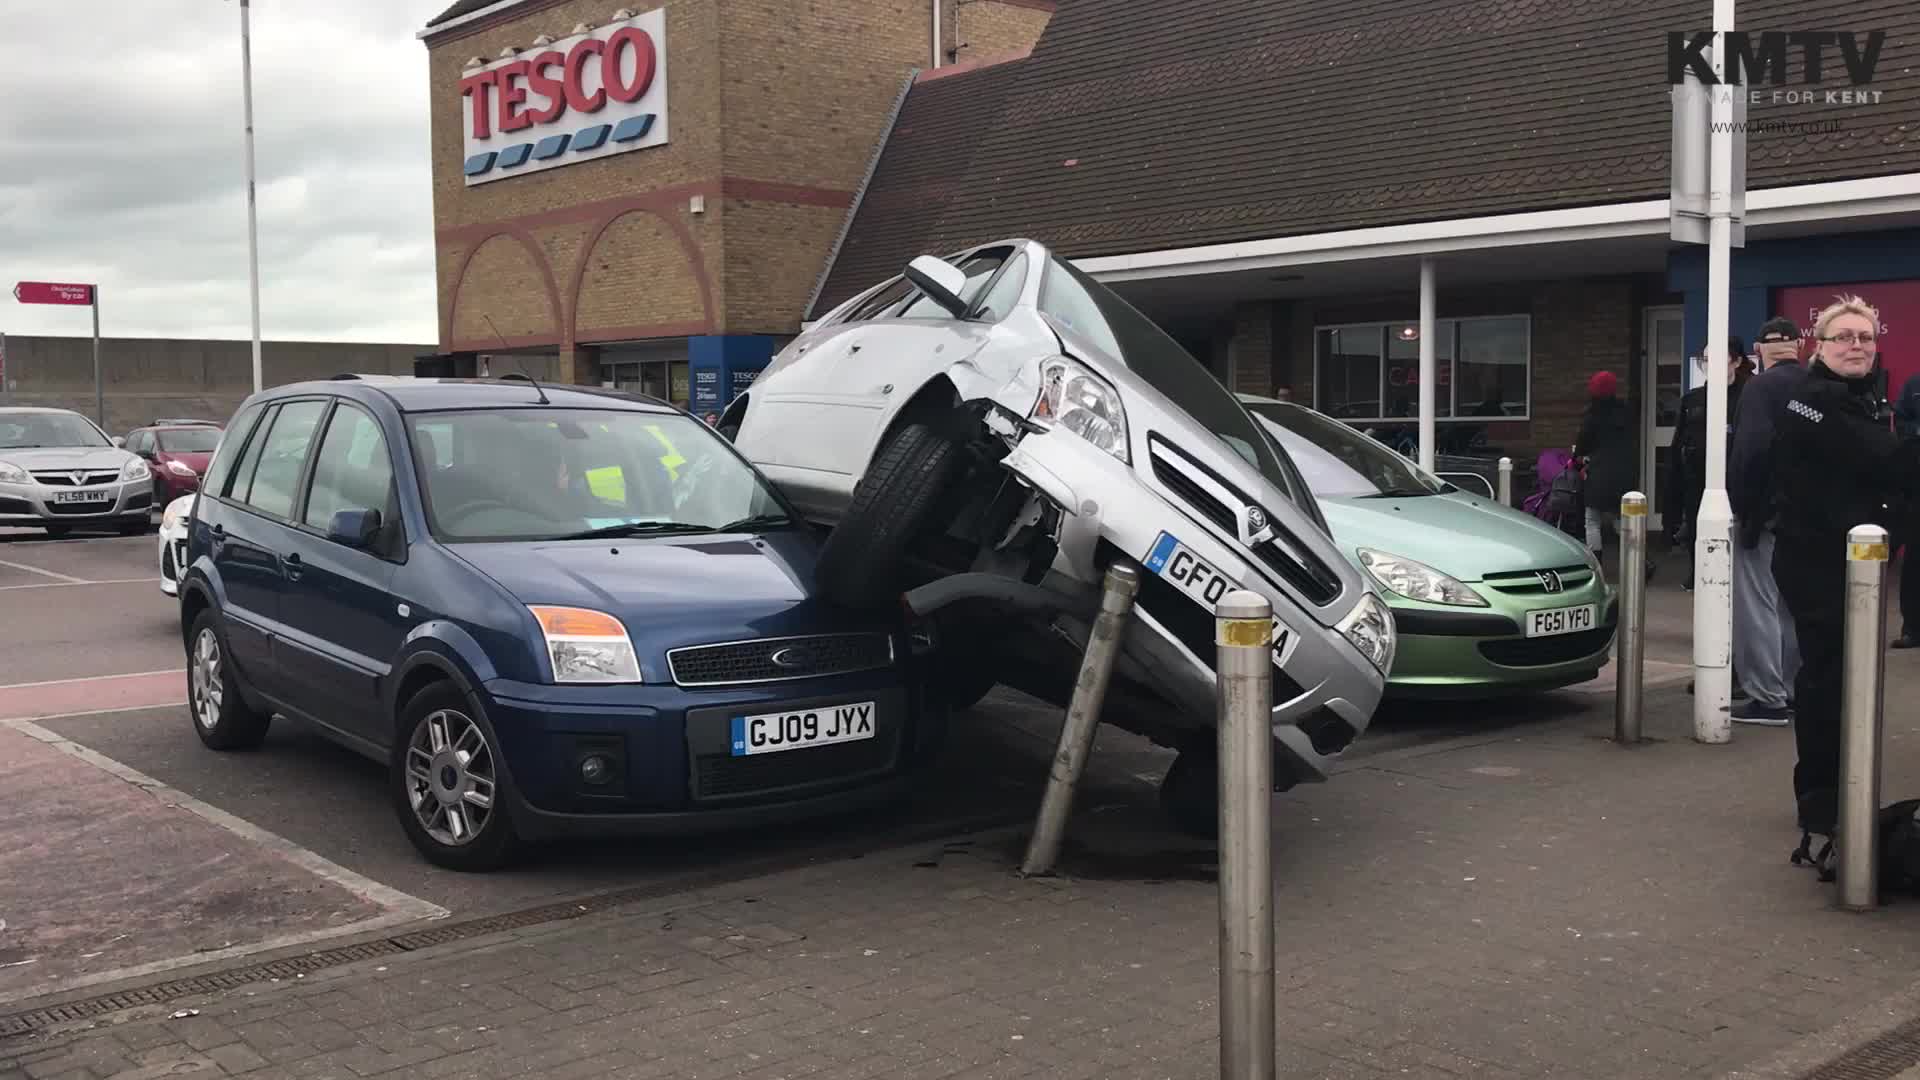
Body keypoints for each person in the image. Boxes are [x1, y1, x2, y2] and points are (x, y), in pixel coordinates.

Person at [1770, 295, 1920, 861]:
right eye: (1843, 337)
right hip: (1815, 561)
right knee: (1827, 682)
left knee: (1848, 680)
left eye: (1865, 337)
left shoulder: (1864, 400)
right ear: (1820, 346)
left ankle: (1842, 796)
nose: (1855, 345)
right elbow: (1886, 462)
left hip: (1856, 562)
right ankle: (1823, 807)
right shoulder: (1811, 401)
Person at [1722, 319, 1806, 726]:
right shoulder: (1816, 385)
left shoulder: (1760, 388)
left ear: (1758, 349)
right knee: (1793, 606)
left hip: (1765, 512)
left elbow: (1750, 452)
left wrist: (1739, 506)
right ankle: (1791, 690)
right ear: (1800, 344)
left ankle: (1767, 697)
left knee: (1757, 601)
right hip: (1807, 515)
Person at [1668, 337, 1752, 589]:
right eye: (1706, 359)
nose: (1710, 365)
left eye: (1718, 359)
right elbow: (1677, 445)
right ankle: (1699, 573)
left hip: (1737, 480)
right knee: (1697, 528)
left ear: (1736, 361)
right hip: (1697, 480)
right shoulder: (1692, 400)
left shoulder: (1748, 397)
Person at [1573, 370, 1648, 576]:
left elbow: (1582, 445)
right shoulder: (1625, 412)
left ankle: (1596, 566)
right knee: (1621, 519)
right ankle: (1640, 561)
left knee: (1592, 520)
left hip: (1599, 472)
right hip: (1625, 472)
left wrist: (1579, 457)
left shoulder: (1592, 415)